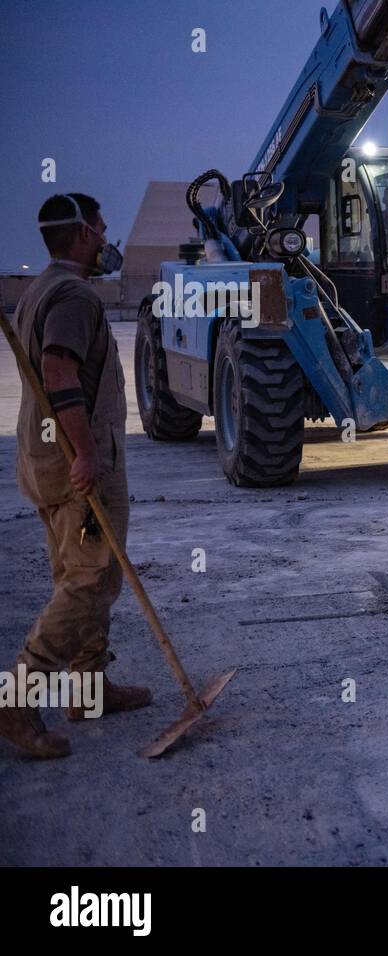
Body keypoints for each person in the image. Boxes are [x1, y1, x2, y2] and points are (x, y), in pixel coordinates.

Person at [0, 193, 151, 760]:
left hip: (45, 464)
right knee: (90, 583)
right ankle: (16, 696)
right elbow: (59, 372)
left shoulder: (39, 289)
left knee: (80, 574)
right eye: (104, 229)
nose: (109, 240)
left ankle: (88, 690)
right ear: (84, 234)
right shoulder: (71, 297)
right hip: (76, 468)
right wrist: (87, 455)